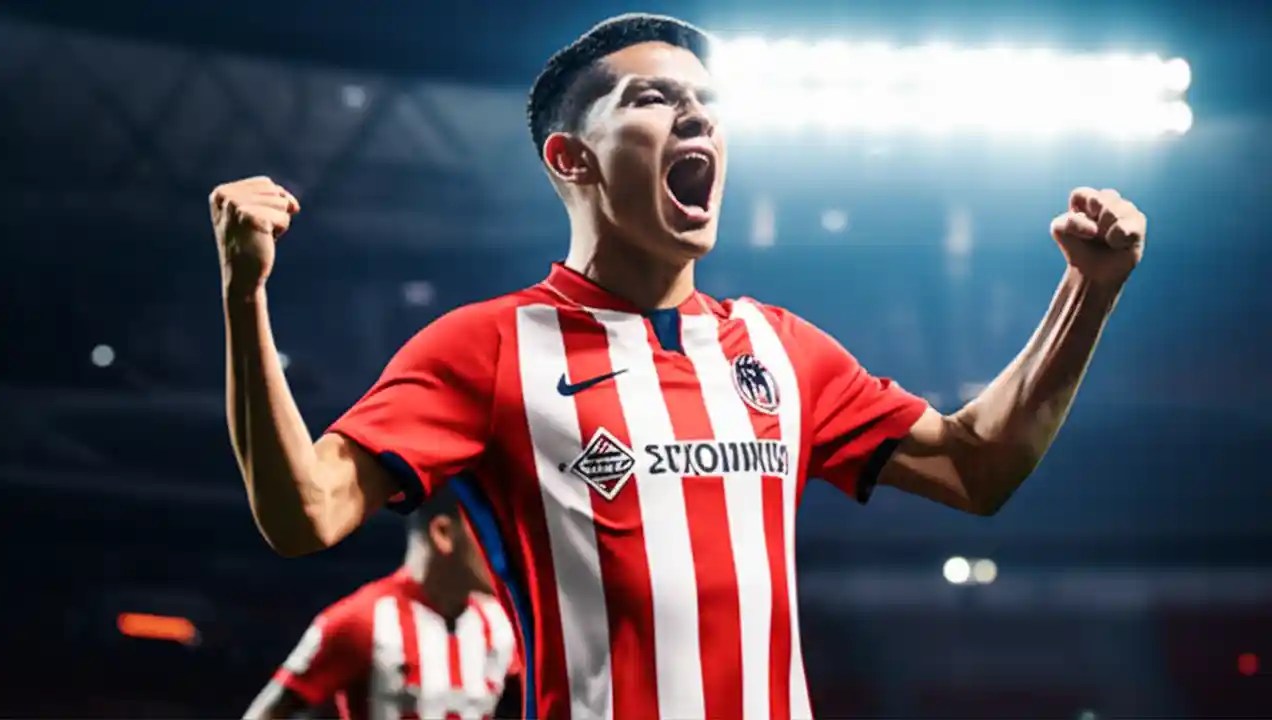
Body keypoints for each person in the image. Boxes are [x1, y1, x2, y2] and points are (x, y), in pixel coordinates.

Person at [209, 13, 1148, 720]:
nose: (695, 112)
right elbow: (304, 515)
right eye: (654, 99)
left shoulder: (781, 348)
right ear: (571, 156)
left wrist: (1089, 292)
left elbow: (978, 467)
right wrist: (245, 295)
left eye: (706, 101)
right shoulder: (487, 345)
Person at [242, 488, 518, 720]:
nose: (505, 547)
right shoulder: (362, 619)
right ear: (443, 533)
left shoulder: (503, 625)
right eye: (490, 530)